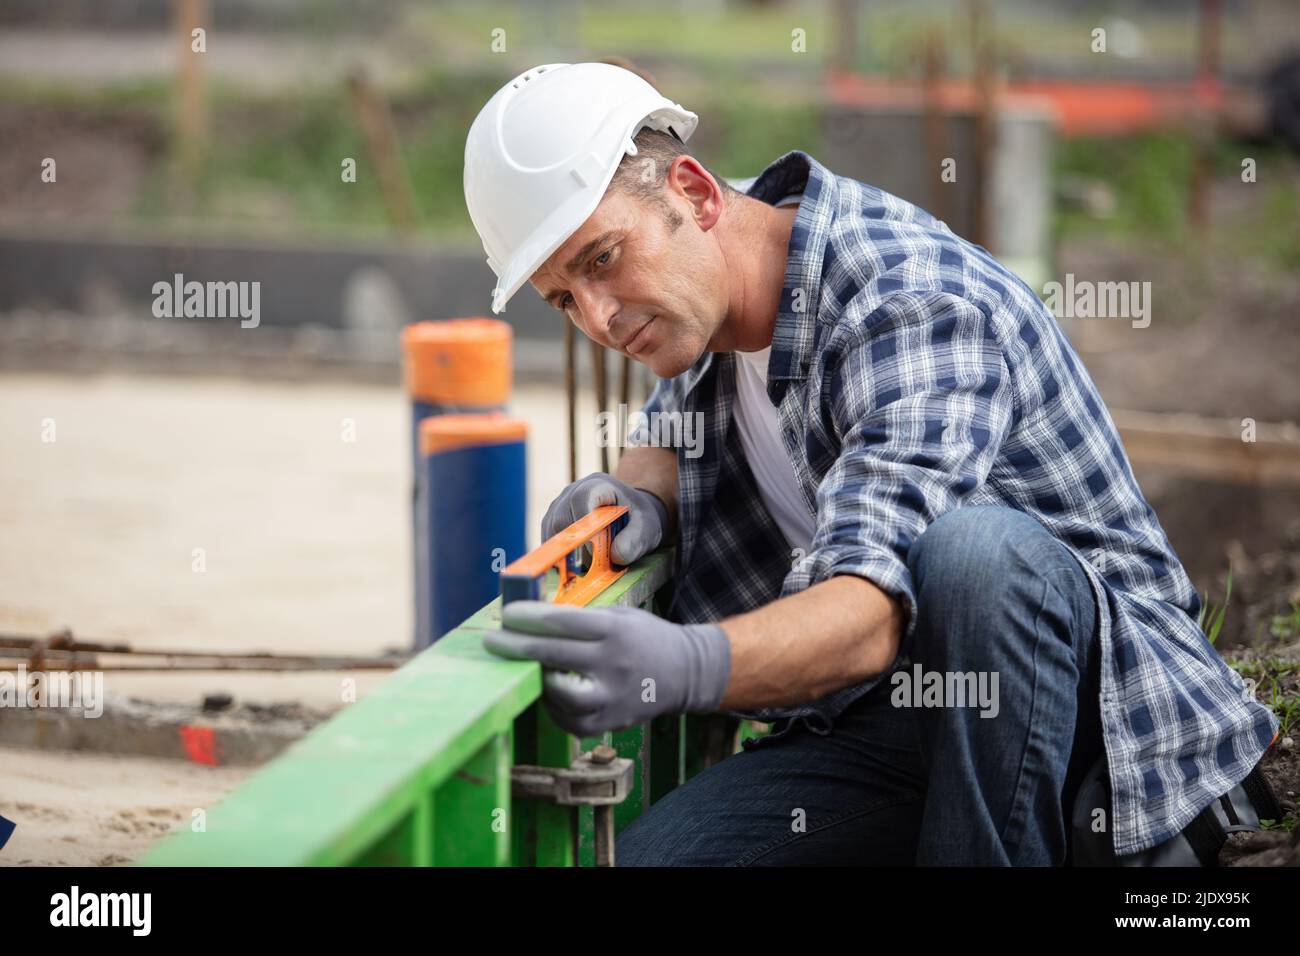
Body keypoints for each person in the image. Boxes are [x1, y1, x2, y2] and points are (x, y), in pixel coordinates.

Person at [461, 62, 1279, 865]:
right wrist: (631, 498)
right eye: (564, 298)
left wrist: (689, 664)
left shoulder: (909, 300)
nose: (599, 317)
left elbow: (868, 615)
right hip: (883, 721)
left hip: (1095, 731)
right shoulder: (714, 274)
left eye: (602, 260)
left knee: (974, 558)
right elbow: (671, 438)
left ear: (697, 193)